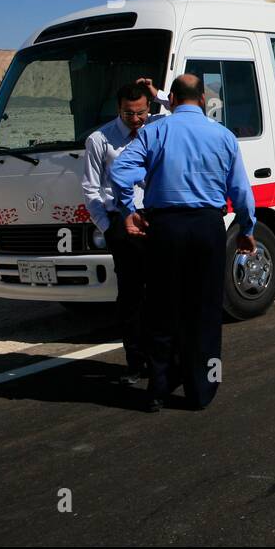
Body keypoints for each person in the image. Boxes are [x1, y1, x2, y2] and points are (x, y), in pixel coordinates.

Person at [109, 74, 257, 413]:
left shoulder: (154, 131)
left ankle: (157, 389)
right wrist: (247, 229)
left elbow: (120, 173)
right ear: (203, 100)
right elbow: (241, 192)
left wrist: (129, 211)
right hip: (207, 228)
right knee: (203, 310)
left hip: (165, 228)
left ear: (171, 100)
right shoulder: (223, 136)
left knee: (162, 308)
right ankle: (200, 390)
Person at [80, 79, 168, 384]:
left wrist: (161, 96)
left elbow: (192, 114)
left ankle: (162, 360)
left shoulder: (158, 126)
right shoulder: (100, 140)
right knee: (131, 297)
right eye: (129, 114)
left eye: (142, 112)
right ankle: (135, 361)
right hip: (122, 222)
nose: (136, 119)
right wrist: (109, 228)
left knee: (160, 293)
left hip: (157, 219)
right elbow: (91, 189)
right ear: (119, 109)